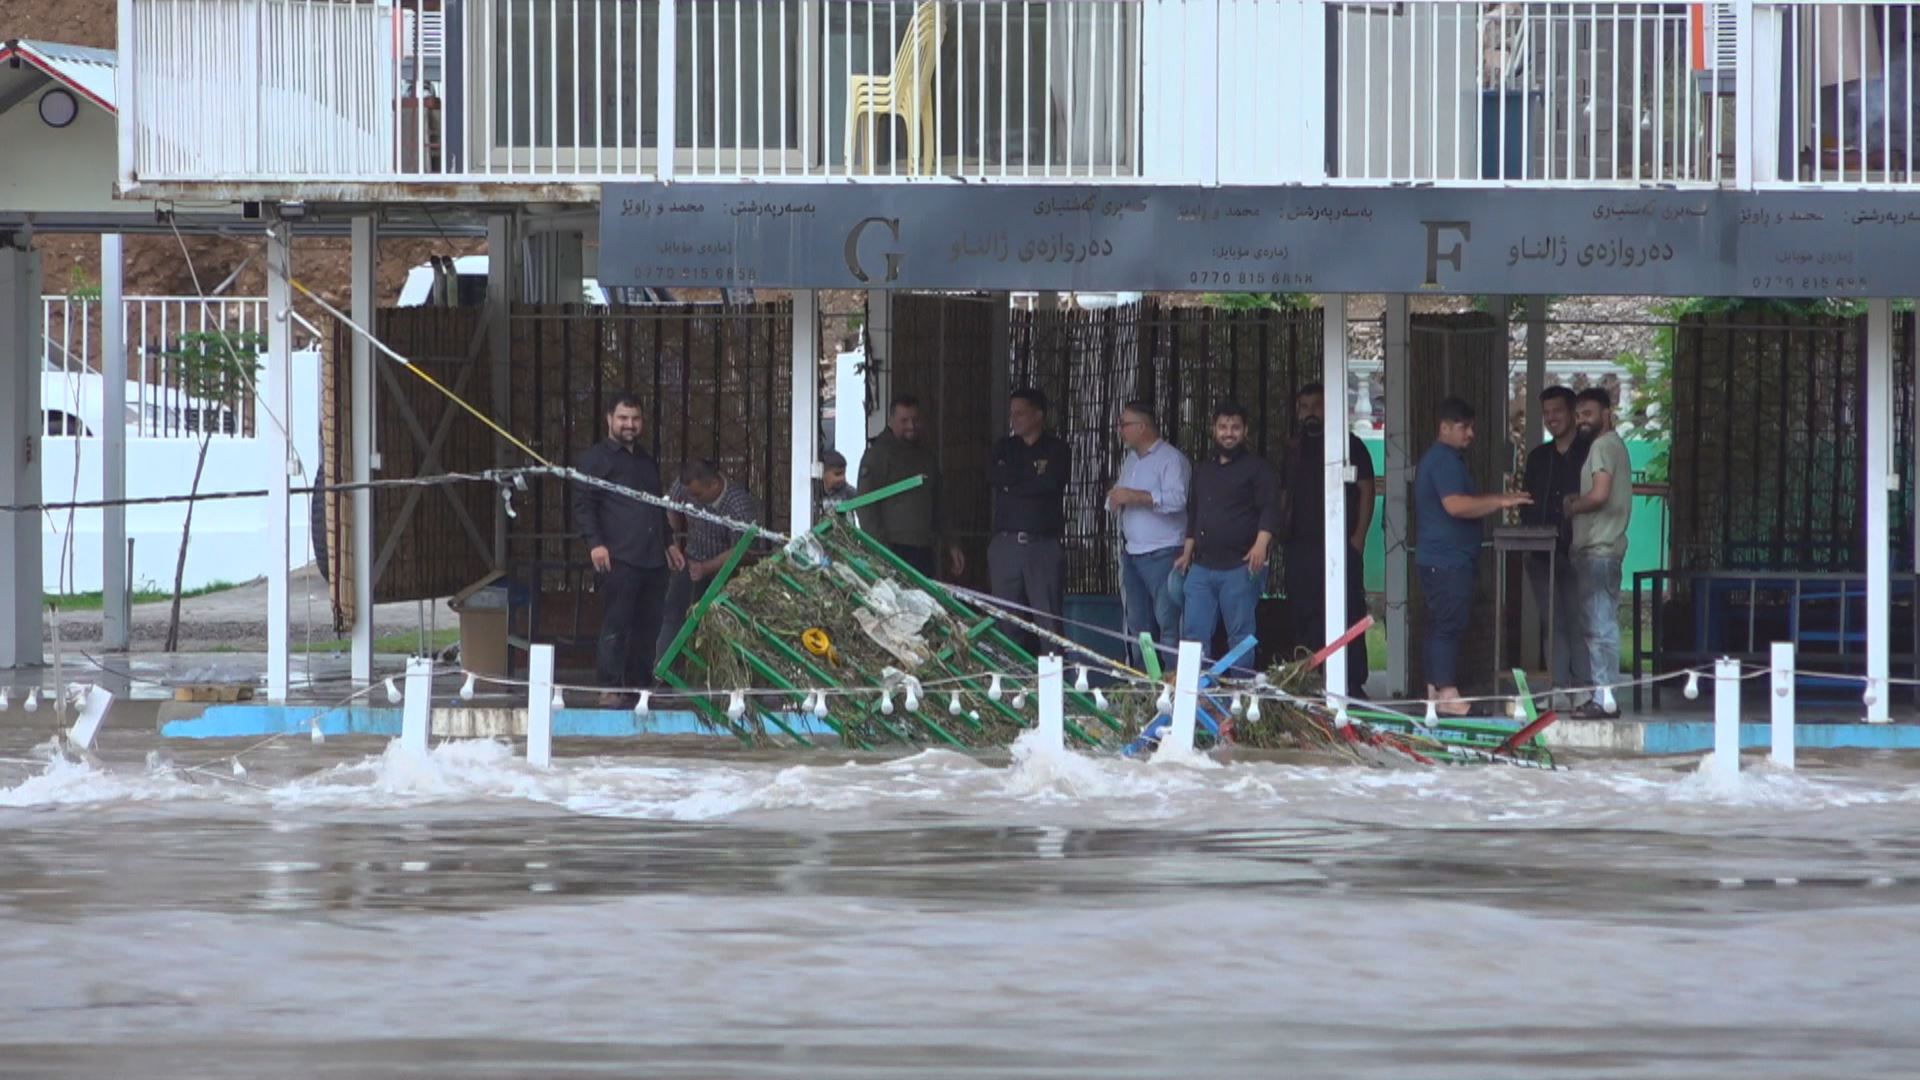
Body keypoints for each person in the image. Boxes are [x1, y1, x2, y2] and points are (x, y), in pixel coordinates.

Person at [1413, 397, 1531, 716]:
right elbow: (1456, 505)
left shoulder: (1445, 460)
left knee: (1442, 624)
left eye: (1471, 428)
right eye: (1464, 427)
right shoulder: (1443, 461)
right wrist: (1500, 501)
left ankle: (1435, 692)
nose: (1470, 435)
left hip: (1446, 559)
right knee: (1447, 624)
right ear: (1445, 427)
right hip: (1446, 560)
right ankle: (1447, 693)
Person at [573, 392, 686, 706]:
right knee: (616, 623)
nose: (629, 425)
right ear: (609, 419)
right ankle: (609, 687)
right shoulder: (595, 460)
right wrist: (595, 544)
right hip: (618, 557)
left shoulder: (646, 461)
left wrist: (669, 543)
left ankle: (640, 688)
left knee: (648, 627)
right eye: (623, 418)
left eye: (635, 419)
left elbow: (655, 507)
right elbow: (584, 506)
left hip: (653, 558)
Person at [1282, 382, 1375, 697]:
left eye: (1317, 406)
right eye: (1305, 406)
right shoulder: (1293, 450)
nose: (1311, 413)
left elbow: (1366, 490)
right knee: (1303, 613)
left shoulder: (1350, 444)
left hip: (1341, 546)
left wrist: (1358, 538)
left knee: (1348, 610)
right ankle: (1307, 682)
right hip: (1300, 548)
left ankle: (1352, 684)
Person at [1176, 402, 1282, 676]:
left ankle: (1240, 700)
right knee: (1193, 635)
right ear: (1214, 430)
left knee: (1240, 636)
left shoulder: (1258, 469)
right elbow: (1195, 512)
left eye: (1235, 427)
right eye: (1223, 427)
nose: (1228, 433)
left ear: (1245, 431)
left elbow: (1270, 508)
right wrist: (1188, 551)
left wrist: (1261, 545)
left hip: (1240, 565)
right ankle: (1195, 698)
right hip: (1201, 566)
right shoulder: (1203, 470)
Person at [1520, 386, 1593, 709]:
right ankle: (1558, 686)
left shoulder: (1590, 453)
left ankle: (1586, 687)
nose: (1551, 418)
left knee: (1581, 620)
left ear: (1573, 413)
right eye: (1546, 413)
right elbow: (1527, 503)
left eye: (1557, 411)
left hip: (1580, 550)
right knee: (1553, 621)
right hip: (1541, 552)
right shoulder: (1538, 458)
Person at [1564, 386, 1634, 719]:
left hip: (1599, 549)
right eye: (1578, 415)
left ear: (1607, 413)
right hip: (1605, 549)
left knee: (1599, 626)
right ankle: (1604, 695)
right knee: (1600, 624)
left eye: (1588, 414)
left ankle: (1604, 698)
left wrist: (1573, 505)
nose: (1582, 421)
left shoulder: (1603, 447)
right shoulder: (1614, 445)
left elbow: (1600, 494)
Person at [656, 459, 764, 662]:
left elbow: (743, 551)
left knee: (721, 623)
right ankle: (663, 674)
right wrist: (672, 541)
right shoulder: (685, 485)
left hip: (728, 571)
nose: (693, 499)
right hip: (691, 559)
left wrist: (707, 567)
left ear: (713, 485)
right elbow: (671, 507)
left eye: (697, 495)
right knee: (674, 612)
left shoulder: (738, 504)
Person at [1107, 401, 1190, 667]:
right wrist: (1116, 498)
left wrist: (1136, 496)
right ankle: (1148, 682)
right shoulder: (1130, 461)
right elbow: (1118, 496)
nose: (1120, 430)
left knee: (1168, 622)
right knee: (1139, 624)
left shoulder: (1171, 459)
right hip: (1133, 553)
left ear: (1142, 427)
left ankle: (1173, 682)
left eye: (1124, 424)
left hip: (1164, 552)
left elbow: (1178, 499)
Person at [989, 388, 1072, 644]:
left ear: (1038, 415)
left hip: (1042, 545)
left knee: (1048, 622)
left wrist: (1015, 485)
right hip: (1006, 544)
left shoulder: (1057, 449)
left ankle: (1052, 681)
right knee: (1007, 619)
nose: (1014, 418)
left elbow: (1050, 484)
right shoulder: (1004, 447)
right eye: (1012, 413)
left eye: (1021, 413)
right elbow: (996, 478)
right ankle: (1013, 680)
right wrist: (1030, 482)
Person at [858, 396, 964, 580]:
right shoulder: (877, 455)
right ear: (890, 421)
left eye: (915, 420)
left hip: (924, 550)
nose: (911, 426)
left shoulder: (926, 455)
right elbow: (865, 506)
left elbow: (939, 503)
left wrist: (952, 543)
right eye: (904, 420)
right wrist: (880, 550)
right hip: (892, 549)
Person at [815, 449, 859, 522]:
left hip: (845, 532)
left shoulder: (848, 492)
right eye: (837, 474)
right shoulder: (813, 494)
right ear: (822, 473)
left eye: (844, 474)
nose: (843, 478)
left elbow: (864, 507)